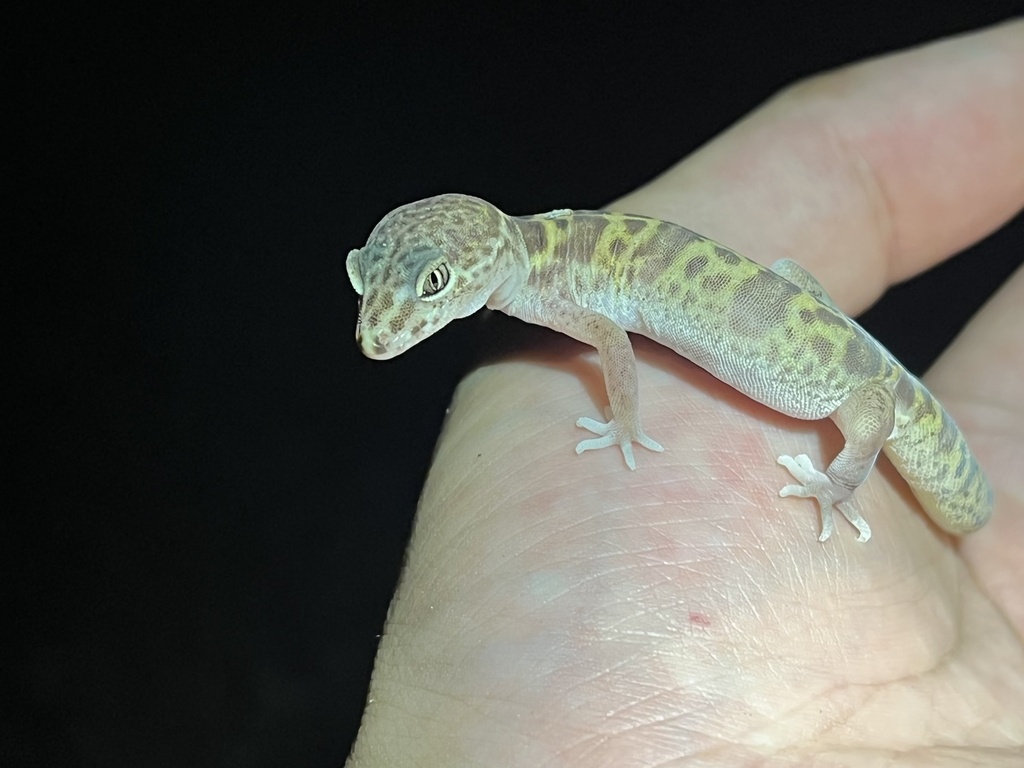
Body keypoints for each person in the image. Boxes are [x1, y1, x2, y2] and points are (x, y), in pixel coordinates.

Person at [347, 20, 1024, 765]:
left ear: (485, 259)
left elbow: (613, 340)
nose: (385, 328)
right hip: (812, 335)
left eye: (431, 288)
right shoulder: (540, 261)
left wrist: (627, 426)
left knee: (872, 412)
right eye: (369, 282)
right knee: (805, 292)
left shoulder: (549, 283)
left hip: (851, 383)